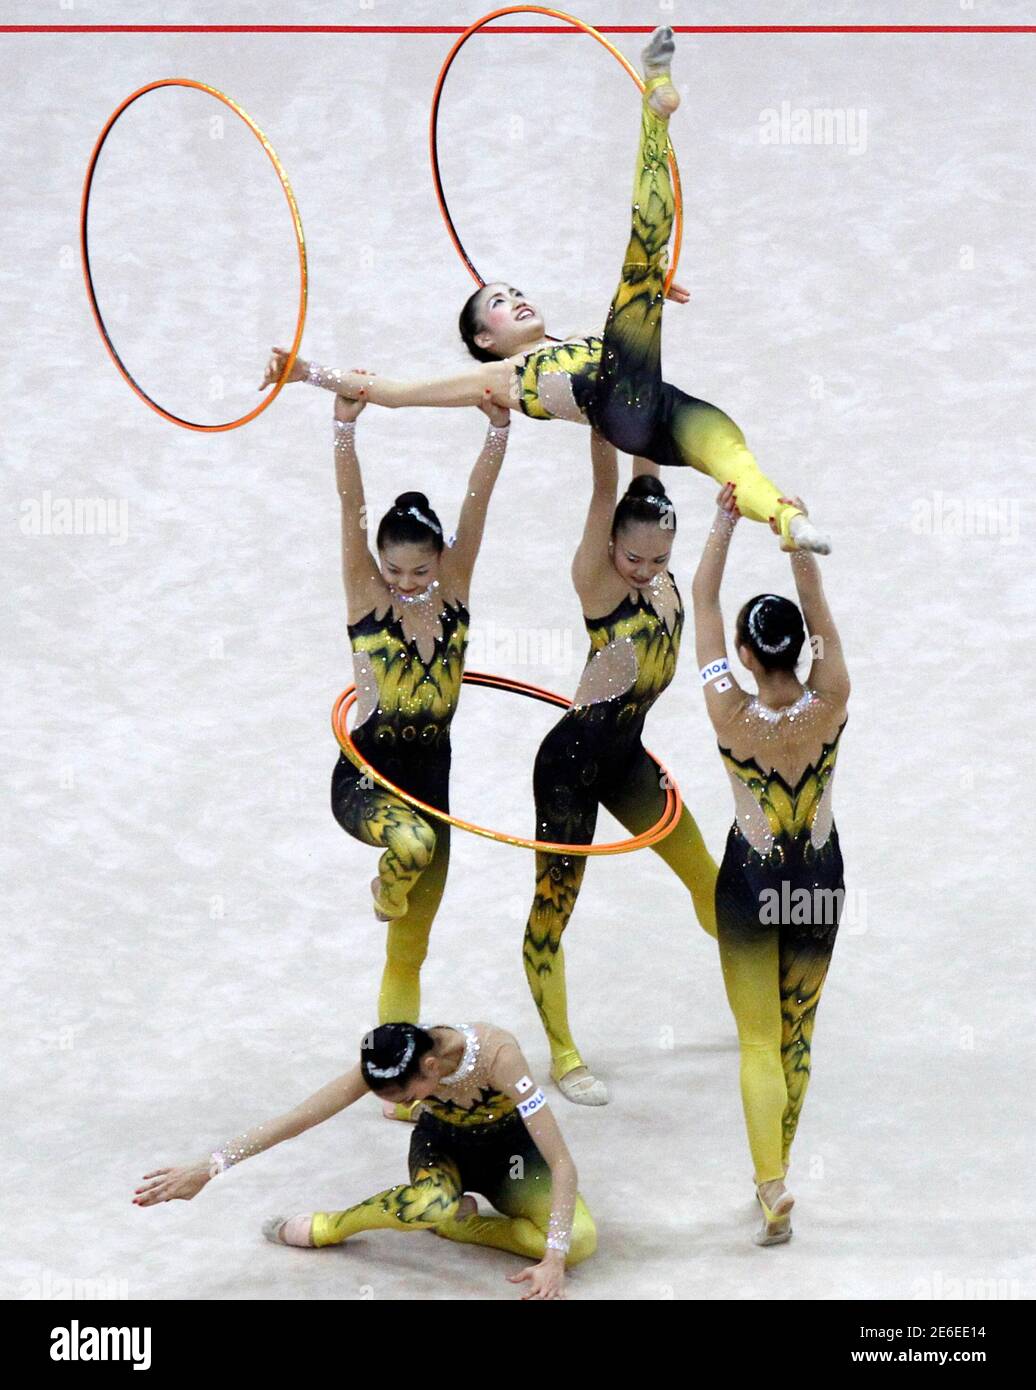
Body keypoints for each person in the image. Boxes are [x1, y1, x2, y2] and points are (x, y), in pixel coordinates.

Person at [270, 26, 829, 556]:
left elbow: (627, 340)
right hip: (620, 410)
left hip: (660, 413)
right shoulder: (500, 378)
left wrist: (646, 295)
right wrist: (306, 372)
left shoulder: (583, 339)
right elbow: (395, 392)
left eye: (515, 291)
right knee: (643, 252)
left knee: (730, 456)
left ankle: (787, 521)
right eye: (498, 303)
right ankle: (654, 108)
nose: (516, 299)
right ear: (485, 340)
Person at [307, 385, 508, 1048]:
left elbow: (477, 509)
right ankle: (384, 887)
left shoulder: (455, 588)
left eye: (420, 570)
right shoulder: (368, 598)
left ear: (441, 559)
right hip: (367, 779)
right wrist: (344, 427)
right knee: (413, 846)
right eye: (394, 569)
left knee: (410, 947)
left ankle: (398, 1068)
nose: (406, 582)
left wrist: (498, 433)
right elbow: (351, 511)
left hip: (431, 784)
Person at [523, 431, 718, 1105]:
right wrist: (601, 419)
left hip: (627, 759)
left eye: (659, 557)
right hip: (570, 767)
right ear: (609, 545)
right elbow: (607, 488)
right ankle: (564, 1055)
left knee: (709, 880)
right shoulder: (599, 582)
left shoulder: (660, 575)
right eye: (632, 556)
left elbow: (645, 472)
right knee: (552, 916)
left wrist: (637, 406)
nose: (644, 568)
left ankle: (761, 995)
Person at [133, 1021, 596, 1300]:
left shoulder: (500, 1057)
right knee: (430, 1204)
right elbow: (300, 1118)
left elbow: (561, 1162)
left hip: (512, 1155)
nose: (406, 1104)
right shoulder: (389, 1057)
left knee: (579, 1242)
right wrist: (208, 1167)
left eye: (408, 1098)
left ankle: (460, 1226)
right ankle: (331, 1226)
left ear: (431, 1068)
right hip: (443, 1147)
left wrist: (554, 1258)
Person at [691, 484, 849, 1244]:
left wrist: (725, 521)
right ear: (800, 649)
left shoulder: (729, 710)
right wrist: (798, 544)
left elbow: (702, 600)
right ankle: (778, 1172)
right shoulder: (833, 694)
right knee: (797, 1034)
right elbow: (822, 623)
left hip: (751, 884)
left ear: (746, 657)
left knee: (757, 1040)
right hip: (817, 882)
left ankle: (770, 1184)